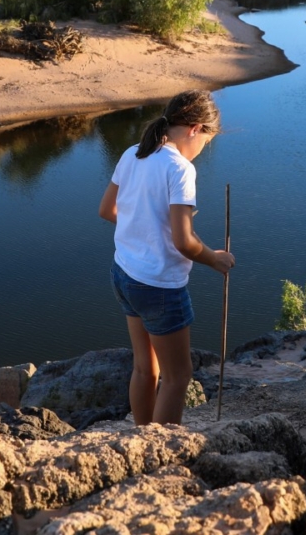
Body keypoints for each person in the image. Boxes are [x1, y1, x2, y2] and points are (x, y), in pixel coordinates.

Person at [98, 90, 234, 425]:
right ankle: (160, 454)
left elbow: (107, 210)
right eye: (207, 140)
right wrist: (215, 259)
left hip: (124, 274)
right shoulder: (180, 169)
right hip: (158, 285)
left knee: (145, 368)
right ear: (195, 129)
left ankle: (140, 439)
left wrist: (146, 228)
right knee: (178, 376)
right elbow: (184, 241)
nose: (204, 148)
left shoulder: (133, 153)